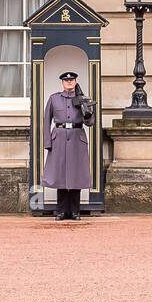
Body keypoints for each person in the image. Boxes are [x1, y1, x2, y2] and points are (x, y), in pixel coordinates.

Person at [43, 71, 94, 221]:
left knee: (75, 175)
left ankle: (75, 211)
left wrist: (87, 111)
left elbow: (90, 123)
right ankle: (61, 211)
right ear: (62, 83)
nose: (69, 82)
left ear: (76, 81)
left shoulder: (83, 99)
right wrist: (48, 142)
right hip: (59, 138)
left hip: (77, 137)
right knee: (61, 175)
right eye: (66, 80)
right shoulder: (54, 99)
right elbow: (47, 121)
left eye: (72, 80)